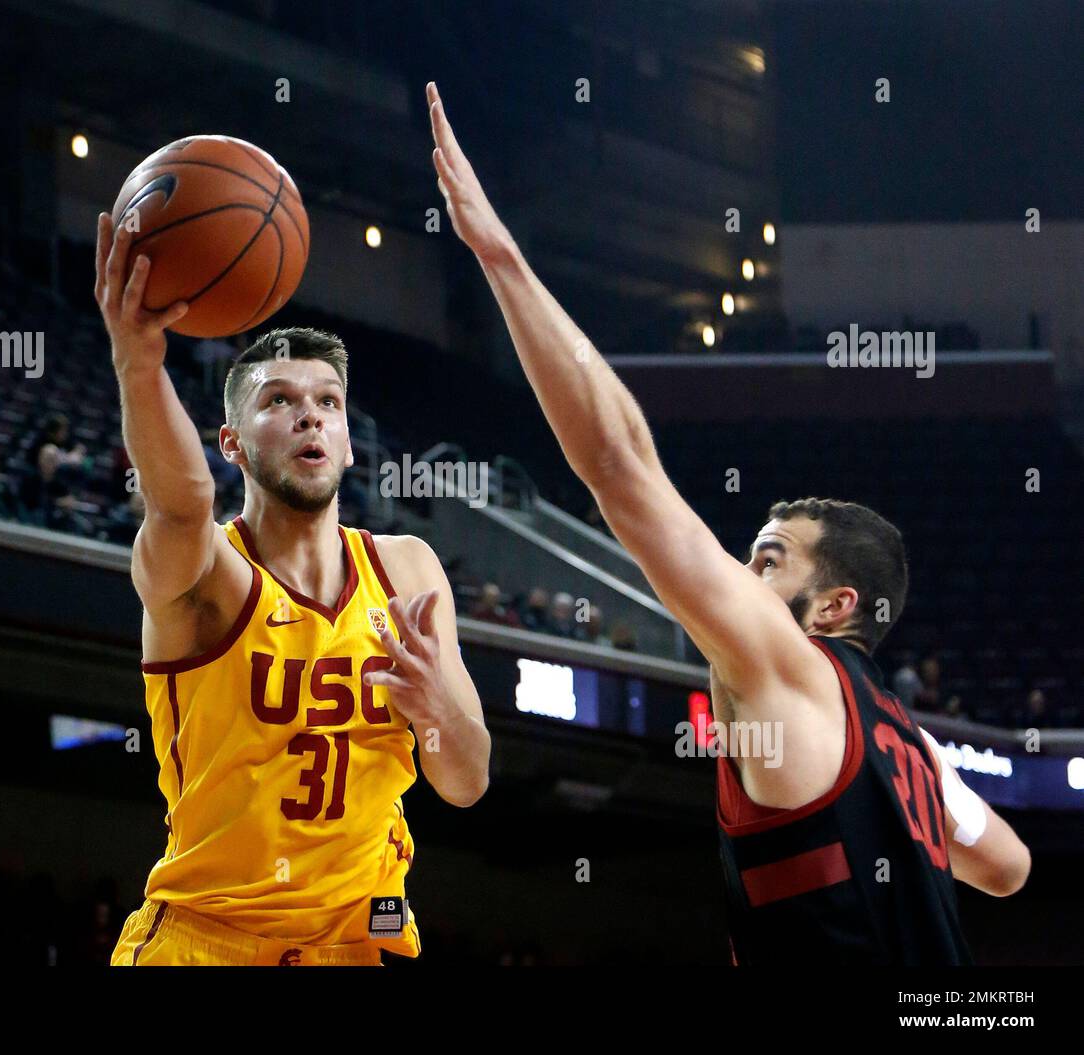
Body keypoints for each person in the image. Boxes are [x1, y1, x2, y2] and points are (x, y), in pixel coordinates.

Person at [426, 81, 1029, 966]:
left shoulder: (788, 664)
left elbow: (619, 467)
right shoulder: (904, 739)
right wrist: (936, 785)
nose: (742, 581)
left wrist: (501, 256)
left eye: (771, 561)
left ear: (833, 607)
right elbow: (1009, 867)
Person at [93, 215, 489, 967]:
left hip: (361, 938)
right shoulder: (209, 572)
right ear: (233, 441)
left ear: (344, 440)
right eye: (278, 400)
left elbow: (468, 781)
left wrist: (437, 706)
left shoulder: (406, 569)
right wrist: (139, 366)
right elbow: (179, 505)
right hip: (209, 938)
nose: (309, 412)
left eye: (328, 402)